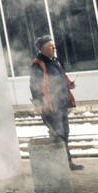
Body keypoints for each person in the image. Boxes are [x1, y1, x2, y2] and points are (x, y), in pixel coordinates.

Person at [30, 36, 82, 171]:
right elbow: (34, 86)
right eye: (50, 47)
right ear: (42, 49)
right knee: (57, 134)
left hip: (61, 103)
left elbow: (61, 77)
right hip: (50, 106)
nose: (54, 49)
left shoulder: (55, 61)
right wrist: (38, 104)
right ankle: (60, 165)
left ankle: (66, 162)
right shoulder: (38, 64)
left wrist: (68, 85)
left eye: (54, 46)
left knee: (64, 133)